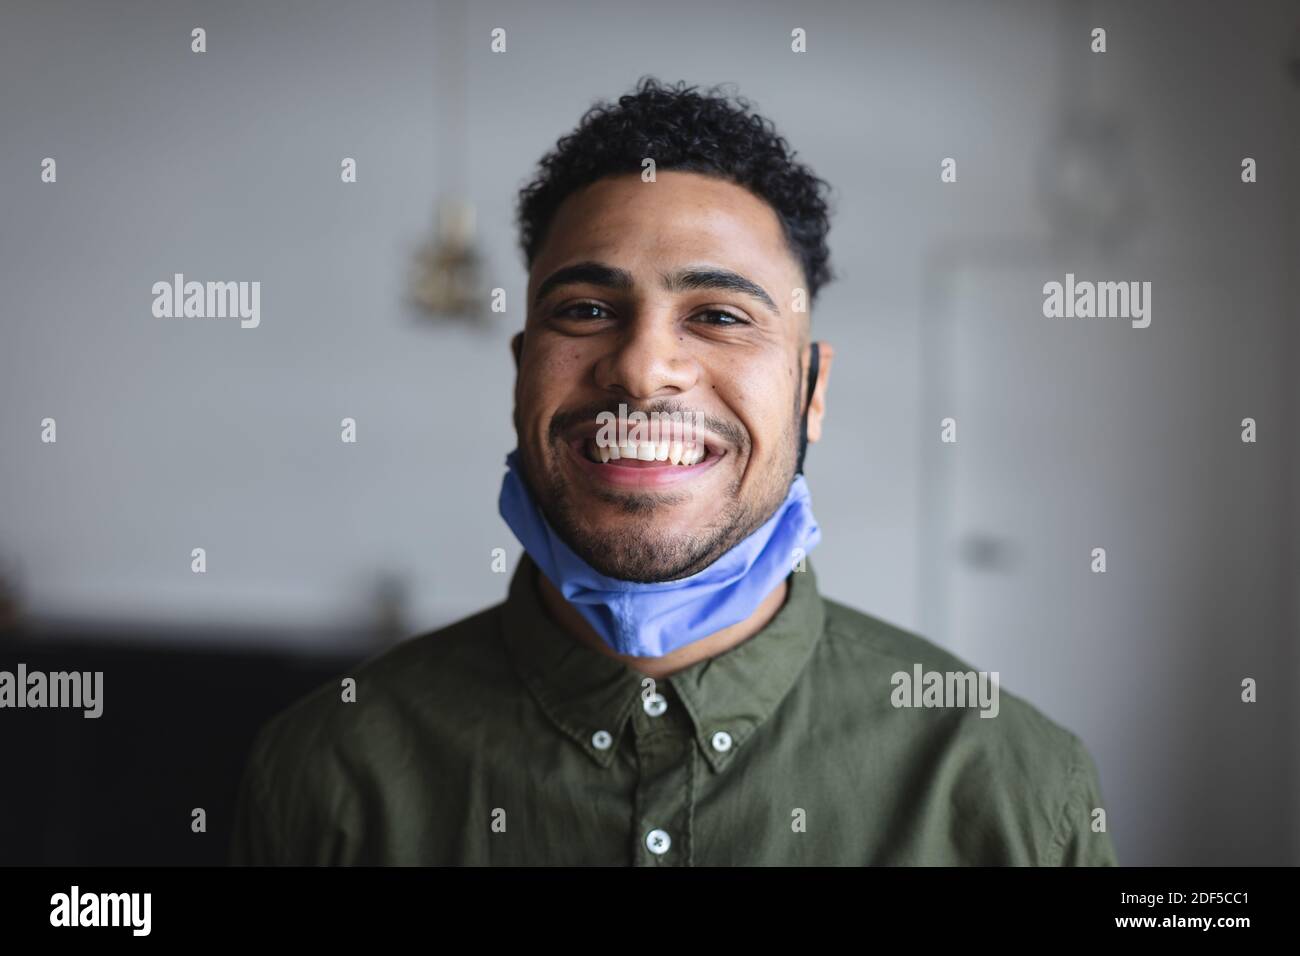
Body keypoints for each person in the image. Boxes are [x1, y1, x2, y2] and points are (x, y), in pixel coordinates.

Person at [230, 77, 1118, 866]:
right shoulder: (327, 773)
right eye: (585, 309)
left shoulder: (1016, 793)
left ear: (812, 391)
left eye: (721, 315)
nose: (644, 366)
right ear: (520, 374)